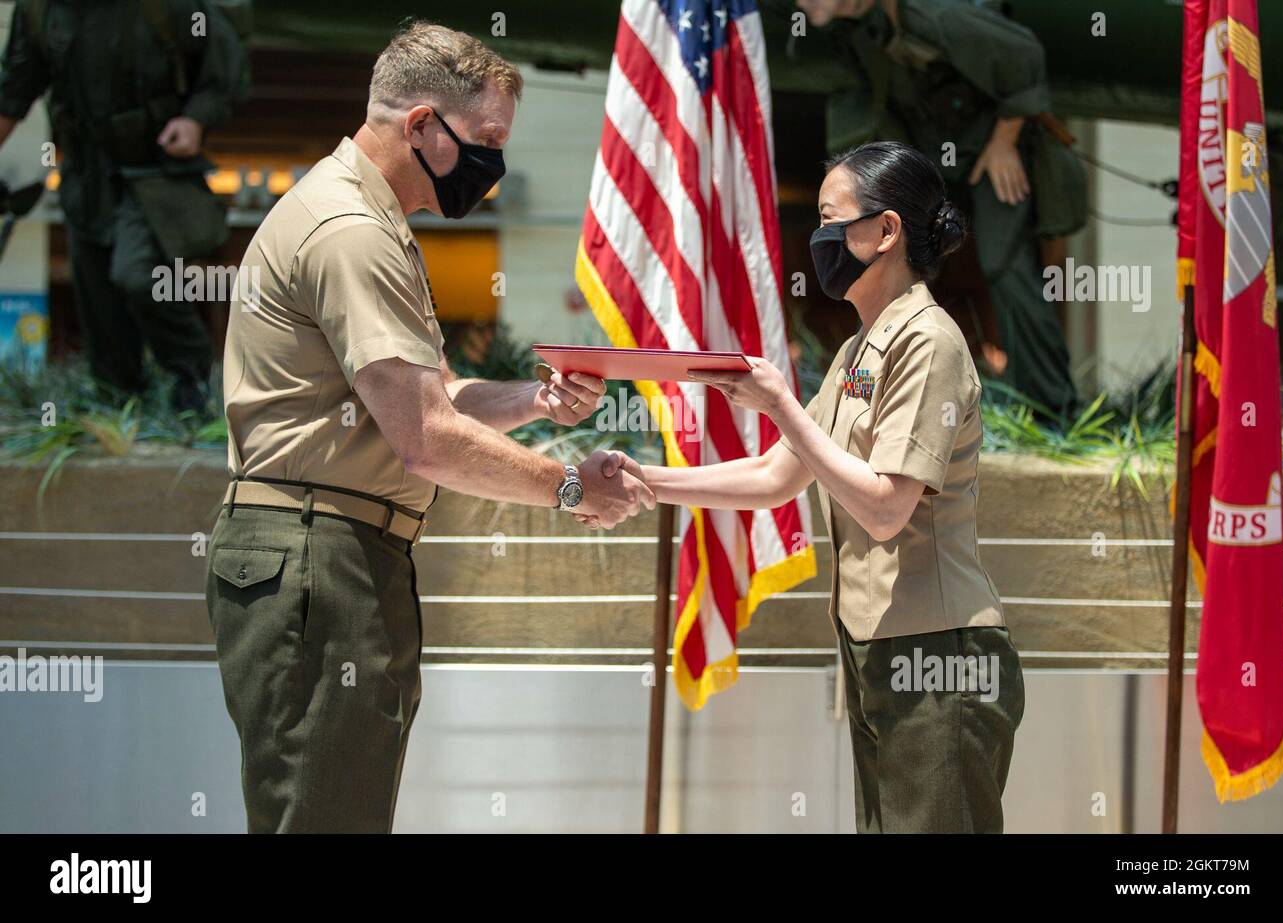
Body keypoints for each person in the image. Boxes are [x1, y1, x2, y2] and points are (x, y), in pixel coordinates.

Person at [207, 20, 654, 833]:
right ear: (421, 126)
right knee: (324, 817)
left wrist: (535, 400)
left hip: (337, 552)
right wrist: (567, 487)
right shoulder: (349, 232)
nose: (493, 163)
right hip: (317, 555)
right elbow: (425, 436)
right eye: (483, 139)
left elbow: (434, 397)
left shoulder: (372, 224)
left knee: (338, 808)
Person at [598, 142, 1025, 833]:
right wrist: (646, 481)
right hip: (877, 648)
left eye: (832, 220)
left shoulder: (929, 341)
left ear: (885, 232)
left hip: (939, 654)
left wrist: (779, 404)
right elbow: (777, 474)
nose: (819, 239)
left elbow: (887, 506)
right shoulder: (862, 350)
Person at [793, 0, 1082, 419]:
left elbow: (1024, 55)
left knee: (1006, 267)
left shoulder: (935, 14)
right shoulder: (857, 29)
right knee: (886, 262)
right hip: (932, 160)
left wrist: (1004, 142)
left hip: (993, 155)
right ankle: (874, 400)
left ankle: (1052, 413)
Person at [0, 0, 249, 412]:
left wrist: (196, 119)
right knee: (98, 296)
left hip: (155, 170)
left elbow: (224, 62)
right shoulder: (41, 12)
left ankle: (194, 378)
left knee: (139, 274)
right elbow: (13, 92)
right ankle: (119, 404)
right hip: (86, 175)